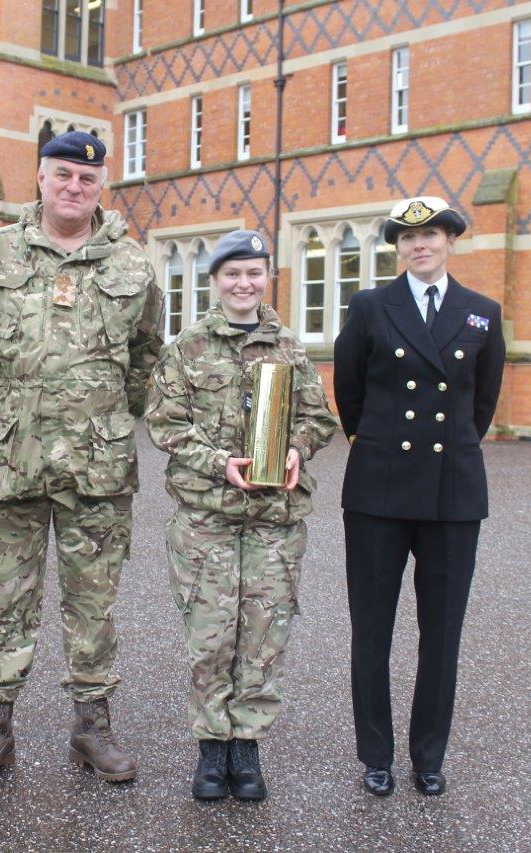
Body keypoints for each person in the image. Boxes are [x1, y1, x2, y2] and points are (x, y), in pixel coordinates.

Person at [0, 131, 163, 787]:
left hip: (96, 473)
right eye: (62, 174)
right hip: (8, 464)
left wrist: (102, 417)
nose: (74, 187)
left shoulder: (132, 267)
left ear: (102, 186)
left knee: (93, 607)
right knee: (3, 603)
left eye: (86, 178)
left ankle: (91, 727)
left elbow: (148, 362)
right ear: (39, 178)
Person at [146, 229, 337, 801]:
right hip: (207, 516)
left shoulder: (290, 349)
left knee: (262, 633)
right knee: (209, 636)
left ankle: (246, 746)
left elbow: (318, 417)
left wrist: (298, 447)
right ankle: (211, 748)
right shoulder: (186, 348)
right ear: (215, 281)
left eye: (254, 273)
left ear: (265, 278)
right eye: (233, 273)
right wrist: (218, 462)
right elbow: (166, 424)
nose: (244, 283)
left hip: (273, 520)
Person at [332, 196, 505, 798]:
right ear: (397, 248)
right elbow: (348, 391)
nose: (419, 245)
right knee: (371, 629)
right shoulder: (371, 306)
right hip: (379, 490)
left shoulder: (482, 312)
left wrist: (451, 448)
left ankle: (428, 755)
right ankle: (375, 753)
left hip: (452, 494)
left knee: (443, 632)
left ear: (450, 241)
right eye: (407, 239)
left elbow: (481, 405)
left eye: (431, 234)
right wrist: (377, 444)